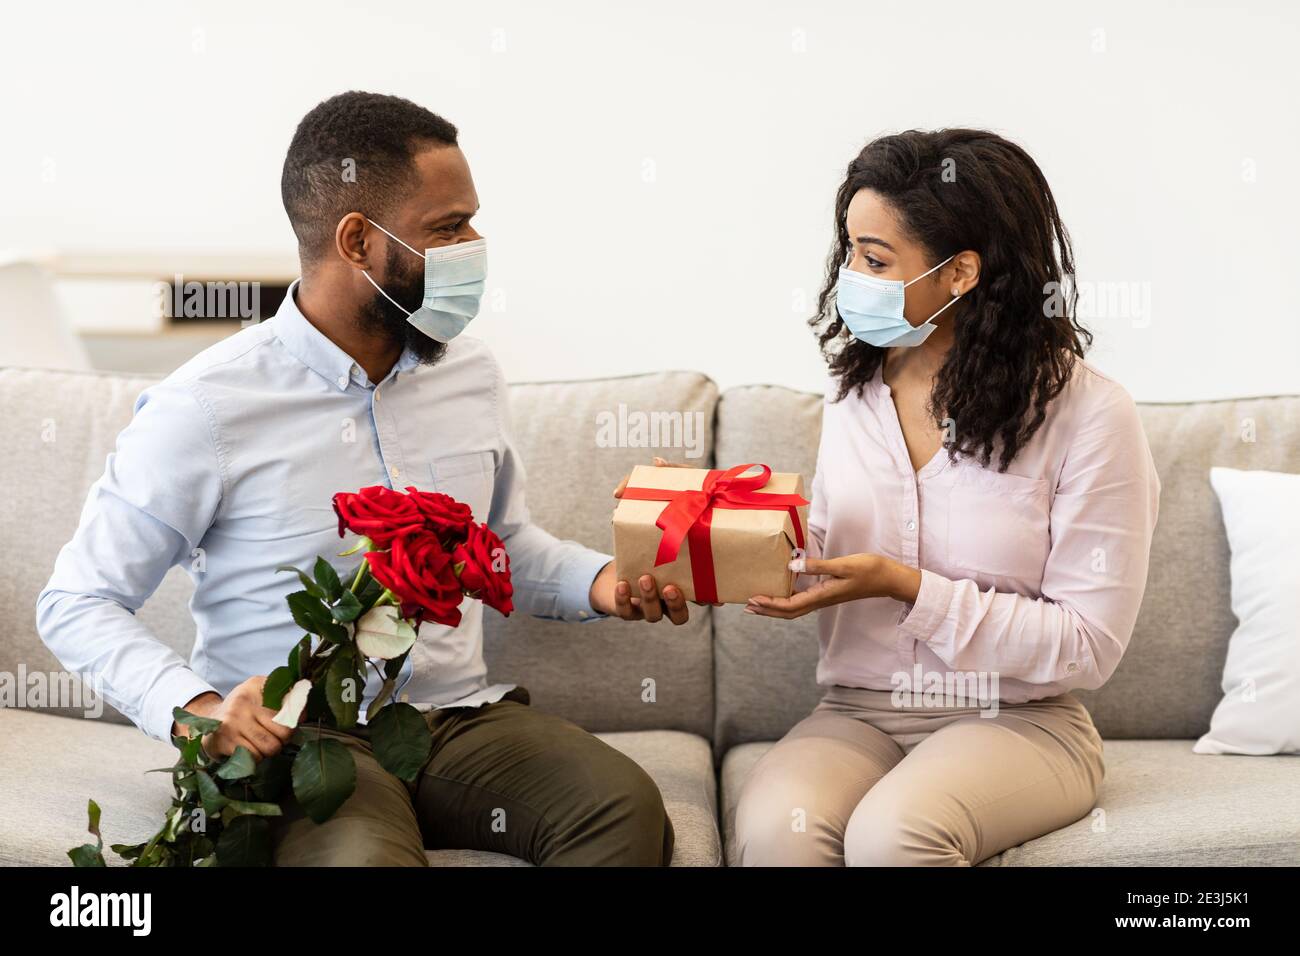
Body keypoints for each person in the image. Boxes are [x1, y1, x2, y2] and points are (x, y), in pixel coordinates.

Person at [37, 91, 687, 867]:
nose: (475, 246)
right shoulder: (206, 407)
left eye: (472, 221)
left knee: (624, 810)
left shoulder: (470, 377)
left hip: (452, 721)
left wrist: (606, 582)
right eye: (448, 228)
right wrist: (200, 711)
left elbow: (502, 544)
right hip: (302, 735)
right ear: (356, 241)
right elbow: (77, 600)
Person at [735, 129, 1161, 866]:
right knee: (778, 832)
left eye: (874, 259)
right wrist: (752, 554)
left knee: (893, 836)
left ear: (960, 271)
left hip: (1020, 721)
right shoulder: (856, 395)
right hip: (859, 711)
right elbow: (837, 551)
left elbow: (1087, 645)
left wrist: (908, 588)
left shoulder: (1090, 415)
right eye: (849, 253)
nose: (850, 277)